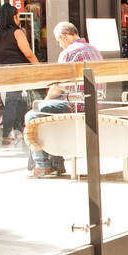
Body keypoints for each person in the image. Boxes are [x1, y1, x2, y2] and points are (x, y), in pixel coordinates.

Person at [23, 22, 103, 178]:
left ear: (64, 36)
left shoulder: (69, 53)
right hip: (94, 103)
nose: (59, 45)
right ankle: (56, 164)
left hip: (76, 104)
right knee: (47, 115)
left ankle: (43, 165)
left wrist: (44, 101)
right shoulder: (94, 50)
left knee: (33, 115)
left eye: (58, 40)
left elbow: (59, 86)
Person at [0, 1, 38, 146]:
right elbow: (27, 52)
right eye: (18, 16)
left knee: (14, 100)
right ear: (13, 17)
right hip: (15, 70)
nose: (19, 19)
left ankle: (16, 130)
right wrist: (38, 66)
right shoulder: (17, 32)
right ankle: (8, 133)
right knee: (13, 100)